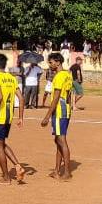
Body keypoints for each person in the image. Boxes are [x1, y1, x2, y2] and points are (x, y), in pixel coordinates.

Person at [0, 53, 26, 184]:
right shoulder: (11, 78)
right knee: (2, 143)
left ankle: (6, 177)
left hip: (0, 116)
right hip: (9, 116)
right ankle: (18, 166)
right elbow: (21, 98)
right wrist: (20, 117)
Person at [40, 53, 74, 181]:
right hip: (66, 109)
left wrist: (47, 116)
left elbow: (55, 98)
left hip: (60, 111)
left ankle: (67, 172)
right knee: (58, 140)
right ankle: (56, 170)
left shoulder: (59, 77)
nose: (50, 65)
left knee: (61, 140)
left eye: (51, 62)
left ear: (58, 62)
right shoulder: (67, 75)